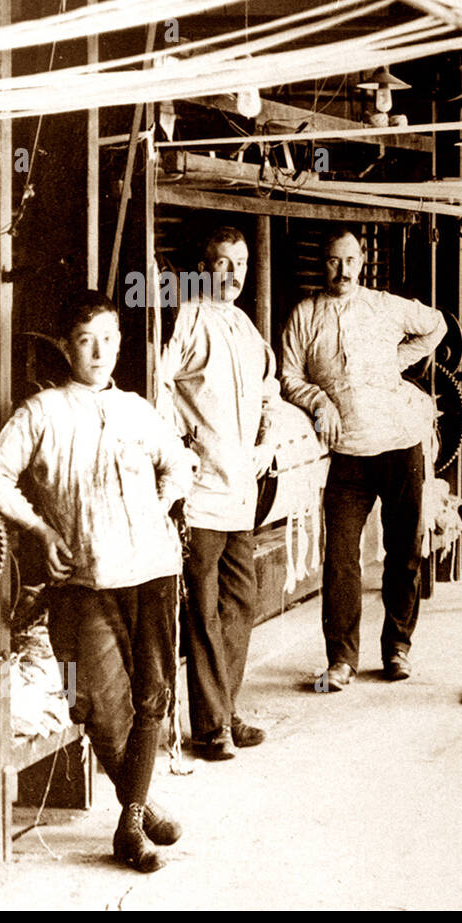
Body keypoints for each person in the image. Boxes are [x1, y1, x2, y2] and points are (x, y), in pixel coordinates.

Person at [0, 291, 195, 872]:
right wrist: (40, 530)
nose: (100, 351)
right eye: (85, 340)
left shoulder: (138, 410)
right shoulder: (42, 412)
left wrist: (161, 500)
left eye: (109, 338)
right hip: (83, 579)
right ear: (66, 347)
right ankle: (140, 807)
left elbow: (178, 462)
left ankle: (129, 825)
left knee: (152, 691)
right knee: (94, 701)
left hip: (152, 569)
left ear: (121, 343)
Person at [281, 226, 445, 691]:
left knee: (404, 552)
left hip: (399, 442)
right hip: (347, 453)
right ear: (322, 264)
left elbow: (437, 324)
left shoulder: (384, 305)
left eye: (350, 260)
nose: (343, 270)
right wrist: (318, 400)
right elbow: (289, 374)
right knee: (340, 559)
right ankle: (341, 660)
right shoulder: (305, 314)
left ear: (363, 261)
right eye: (333, 261)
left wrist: (397, 363)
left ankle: (397, 647)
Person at [157, 226, 278, 761]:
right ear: (203, 267)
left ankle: (226, 712)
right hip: (203, 491)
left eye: (241, 263)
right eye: (222, 262)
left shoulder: (244, 326)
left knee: (240, 602)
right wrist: (180, 453)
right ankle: (209, 728)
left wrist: (267, 440)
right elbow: (159, 385)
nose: (233, 274)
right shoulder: (187, 316)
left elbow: (268, 389)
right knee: (203, 610)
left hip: (241, 493)